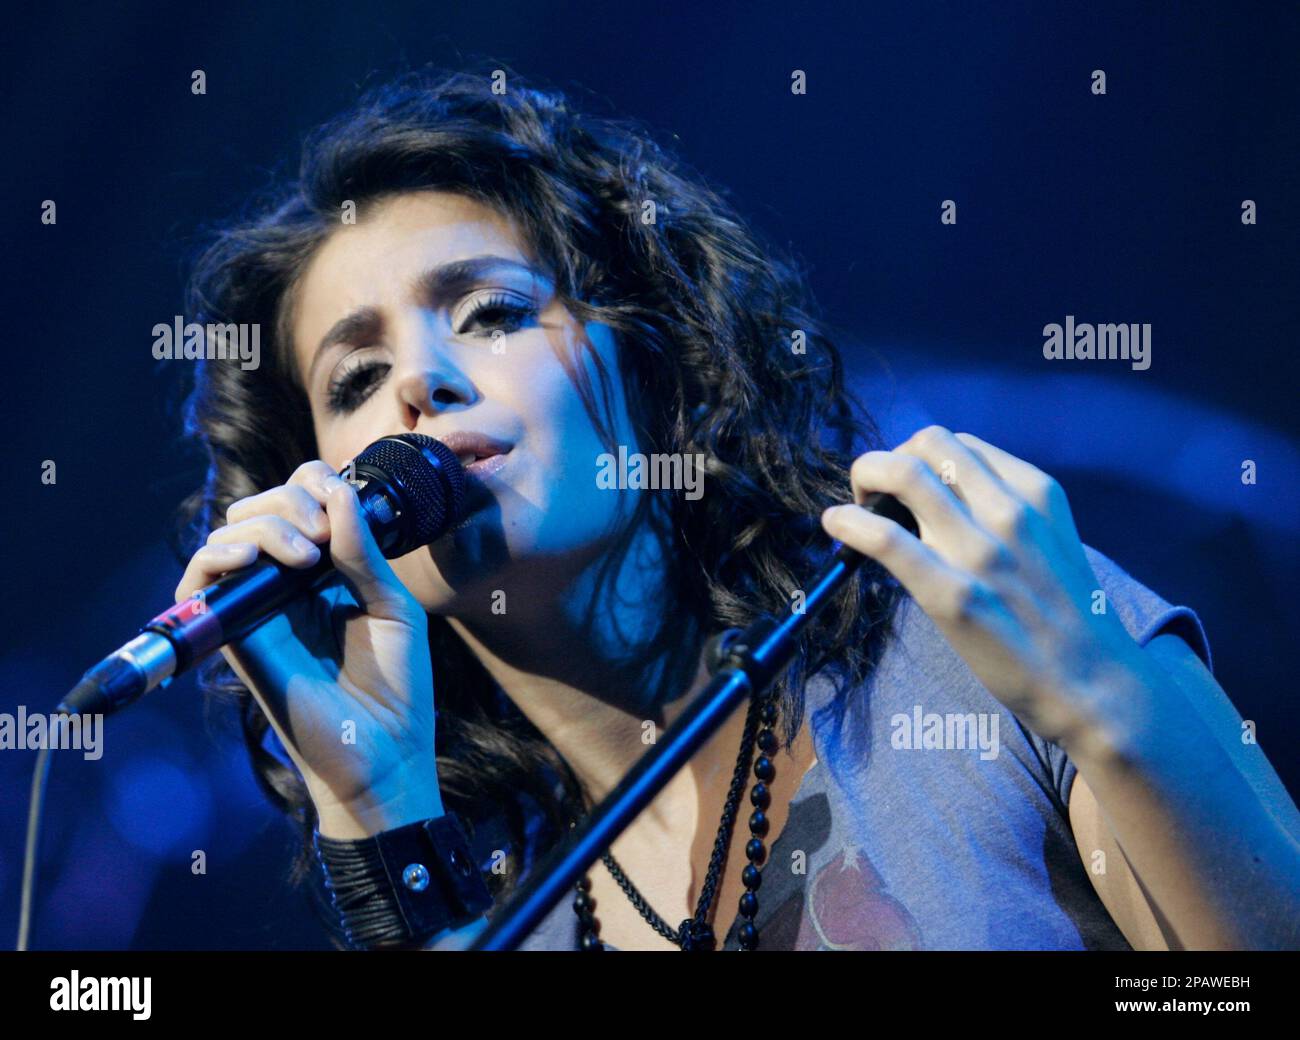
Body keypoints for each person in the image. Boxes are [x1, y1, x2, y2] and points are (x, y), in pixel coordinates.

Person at [173, 68, 1300, 951]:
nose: (418, 382)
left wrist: (1102, 691)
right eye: (355, 381)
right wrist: (379, 824)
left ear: (654, 349)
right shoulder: (521, 911)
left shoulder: (960, 631)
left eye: (487, 311)